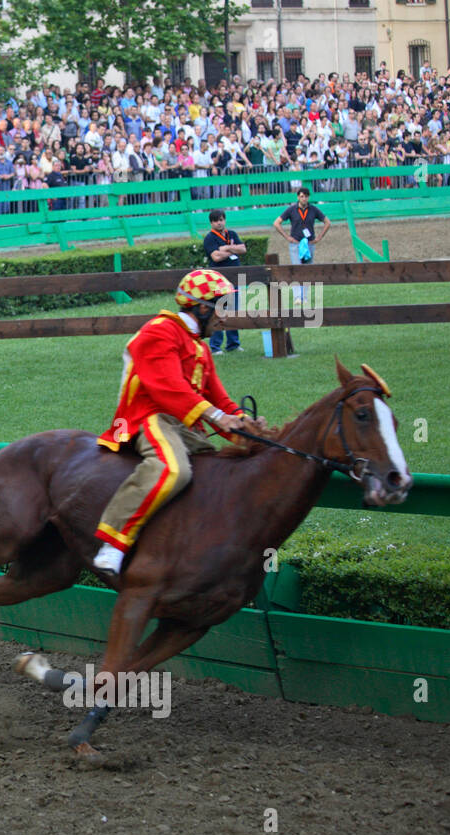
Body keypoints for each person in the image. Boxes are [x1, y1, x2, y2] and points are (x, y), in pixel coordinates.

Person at [91, 269, 268, 575]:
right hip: (149, 419)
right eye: (223, 308)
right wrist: (217, 417)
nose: (226, 318)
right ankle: (113, 545)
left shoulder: (198, 345)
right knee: (173, 470)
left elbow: (218, 398)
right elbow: (168, 388)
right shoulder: (159, 331)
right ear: (202, 307)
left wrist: (246, 426)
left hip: (185, 427)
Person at [273, 186, 330, 305]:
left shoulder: (313, 210)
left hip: (309, 243)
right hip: (296, 244)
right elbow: (277, 223)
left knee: (307, 270)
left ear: (309, 197)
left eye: (306, 196)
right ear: (298, 197)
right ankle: (297, 297)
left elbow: (327, 222)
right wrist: (287, 237)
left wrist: (319, 237)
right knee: (296, 268)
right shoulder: (291, 210)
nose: (304, 199)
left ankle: (305, 296)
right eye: (301, 196)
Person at [202, 209, 246, 355]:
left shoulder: (231, 234)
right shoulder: (209, 238)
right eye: (216, 220)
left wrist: (226, 248)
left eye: (221, 219)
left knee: (233, 310)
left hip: (234, 277)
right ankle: (215, 346)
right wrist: (233, 250)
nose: (219, 222)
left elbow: (243, 249)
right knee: (218, 310)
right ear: (211, 223)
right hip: (218, 279)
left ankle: (233, 343)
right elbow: (215, 257)